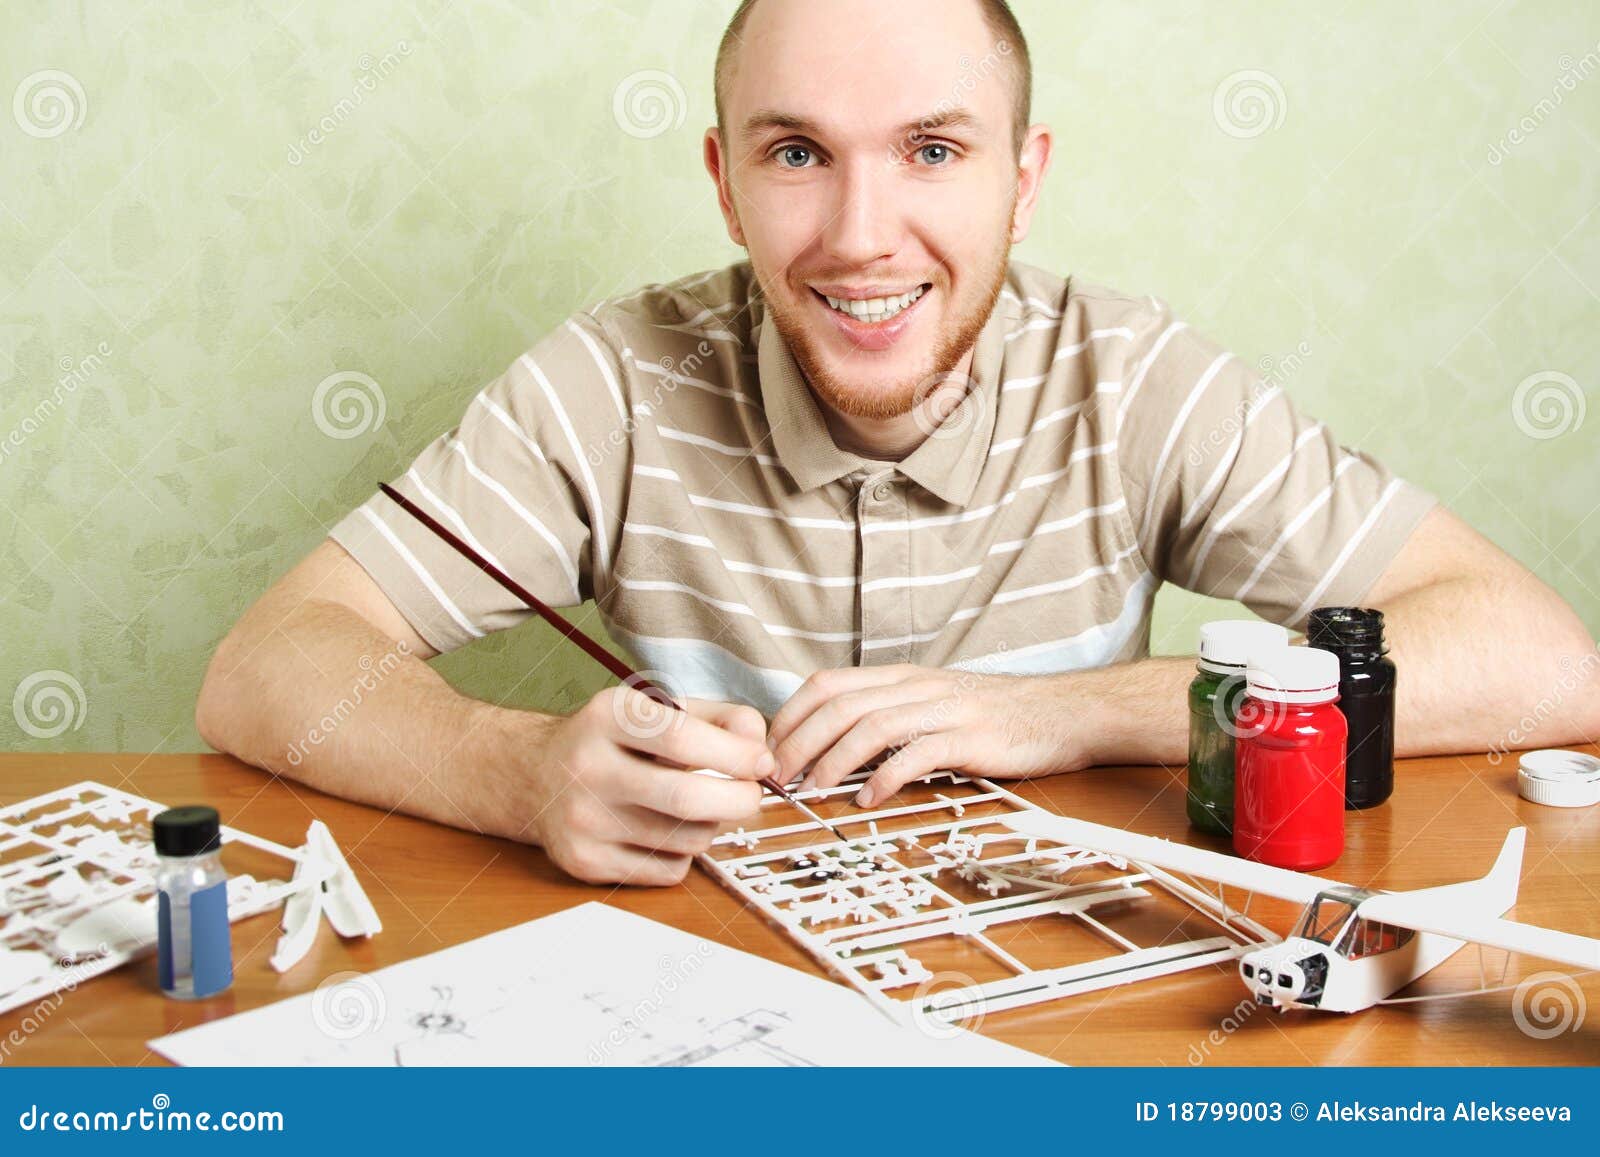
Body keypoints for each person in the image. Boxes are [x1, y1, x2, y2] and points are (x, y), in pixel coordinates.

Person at [196, 0, 1600, 885]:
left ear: (1024, 178)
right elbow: (269, 665)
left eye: (933, 149)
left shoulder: (1140, 374)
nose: (863, 237)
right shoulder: (612, 378)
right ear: (727, 182)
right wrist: (516, 769)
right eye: (798, 153)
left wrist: (1060, 714)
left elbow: (1544, 656)